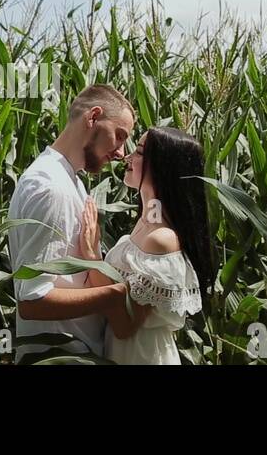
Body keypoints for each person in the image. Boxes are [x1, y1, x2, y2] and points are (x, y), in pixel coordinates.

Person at [7, 84, 135, 362]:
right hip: (59, 356)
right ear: (93, 117)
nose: (121, 152)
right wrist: (113, 295)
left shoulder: (69, 181)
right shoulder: (53, 188)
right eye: (119, 135)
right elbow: (32, 300)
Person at [79, 127, 213, 364]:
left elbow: (124, 325)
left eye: (139, 152)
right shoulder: (146, 224)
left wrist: (90, 256)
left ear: (163, 166)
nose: (127, 158)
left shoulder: (160, 240)